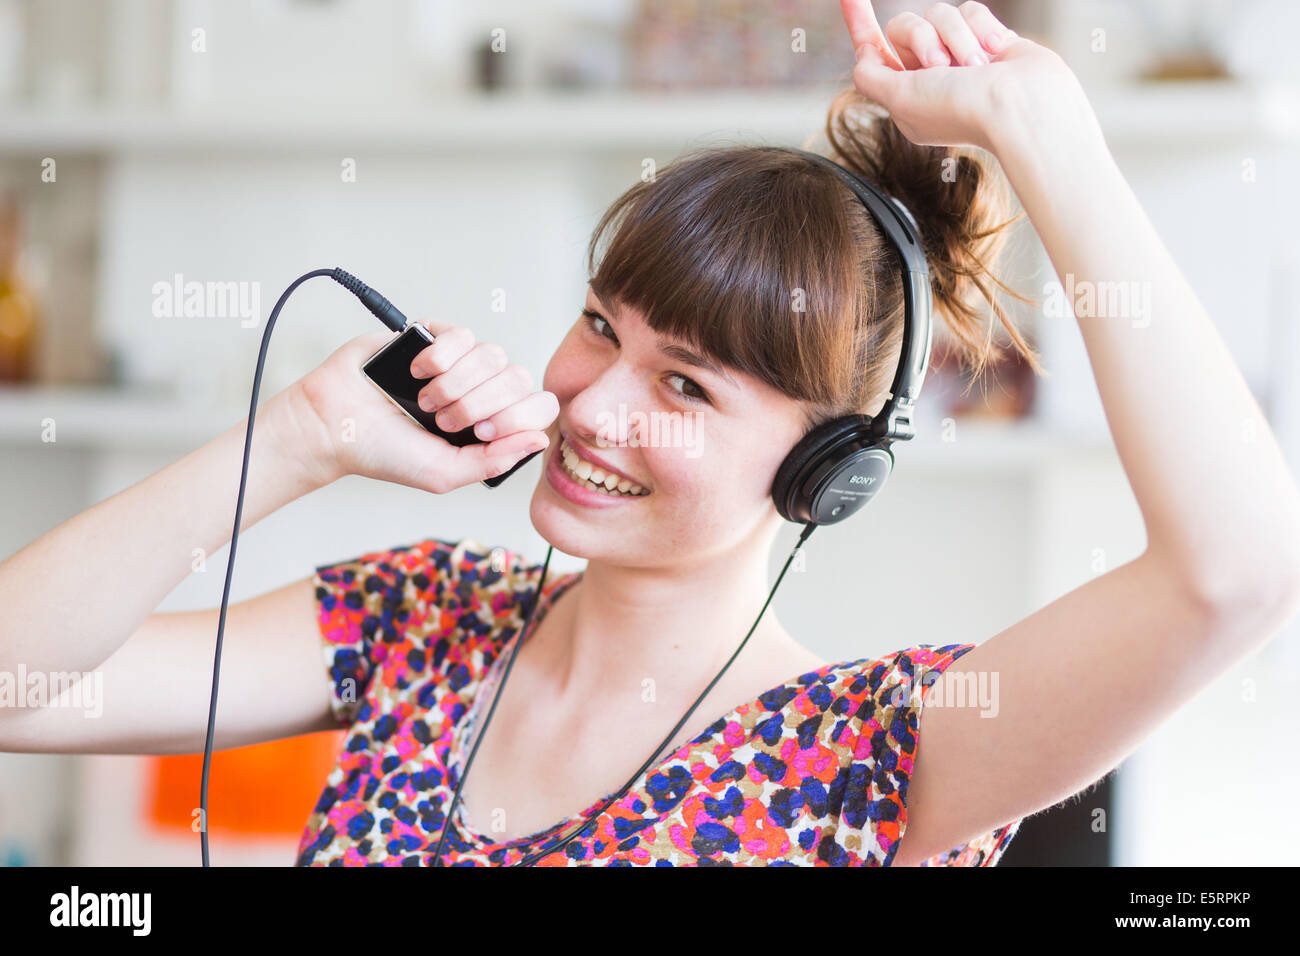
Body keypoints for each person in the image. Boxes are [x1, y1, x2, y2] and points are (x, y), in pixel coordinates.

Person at [3, 0, 1299, 866]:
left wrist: (1049, 135)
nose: (593, 400)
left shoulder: (871, 746)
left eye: (687, 387)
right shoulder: (422, 619)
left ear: (827, 471)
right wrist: (298, 438)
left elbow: (1233, 573)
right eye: (598, 327)